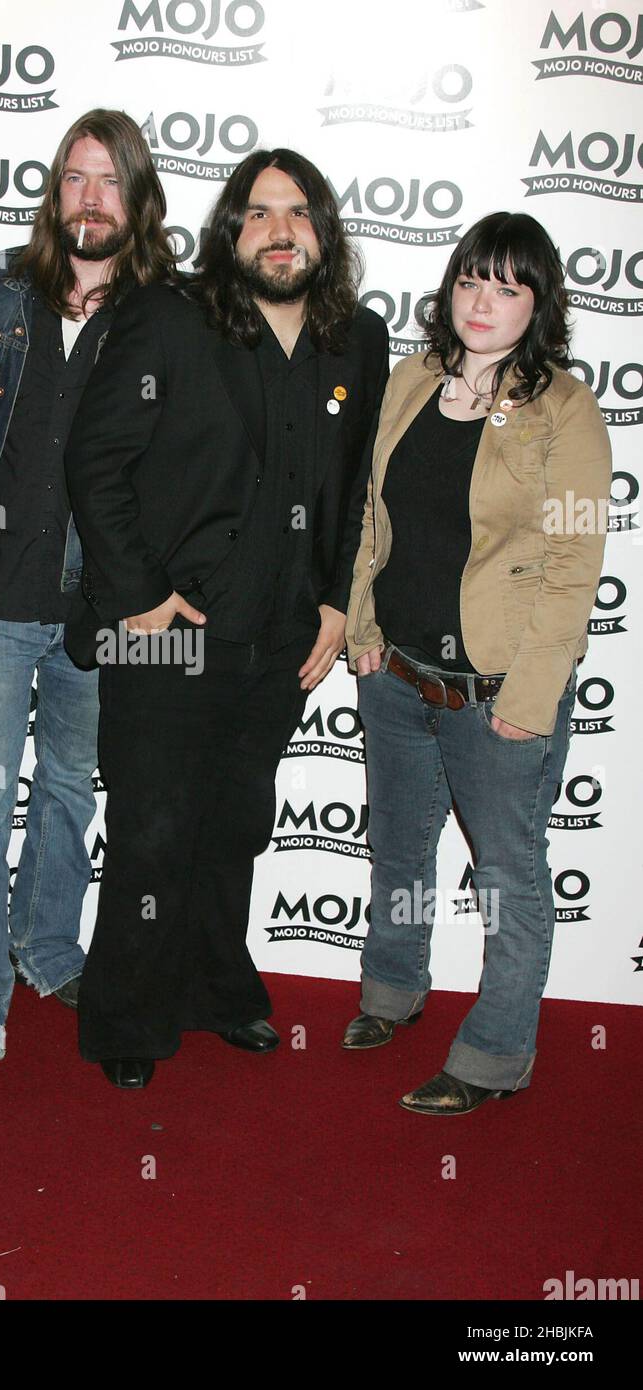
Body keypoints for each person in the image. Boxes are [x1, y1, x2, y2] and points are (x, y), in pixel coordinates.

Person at [64, 148, 389, 1088]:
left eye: (298, 214)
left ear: (322, 232)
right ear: (229, 231)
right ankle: (126, 1018)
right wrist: (136, 596)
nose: (279, 231)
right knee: (152, 830)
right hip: (165, 633)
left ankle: (217, 988)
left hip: (280, 639)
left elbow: (354, 485)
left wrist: (335, 598)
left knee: (234, 826)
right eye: (258, 213)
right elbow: (96, 462)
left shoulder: (354, 341)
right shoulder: (168, 319)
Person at [344, 211, 611, 1114]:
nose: (482, 303)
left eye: (506, 288)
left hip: (498, 695)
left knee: (505, 873)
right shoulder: (412, 378)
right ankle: (391, 991)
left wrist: (533, 697)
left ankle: (496, 1055)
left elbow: (575, 564)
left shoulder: (564, 409)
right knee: (397, 848)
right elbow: (370, 520)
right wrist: (362, 634)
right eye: (470, 281)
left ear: (536, 305)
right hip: (398, 676)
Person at [0, 110, 176, 1083]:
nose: (90, 197)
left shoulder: (164, 316)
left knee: (71, 796)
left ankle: (51, 954)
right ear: (54, 189)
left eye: (109, 181)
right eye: (75, 177)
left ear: (139, 197)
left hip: (97, 612)